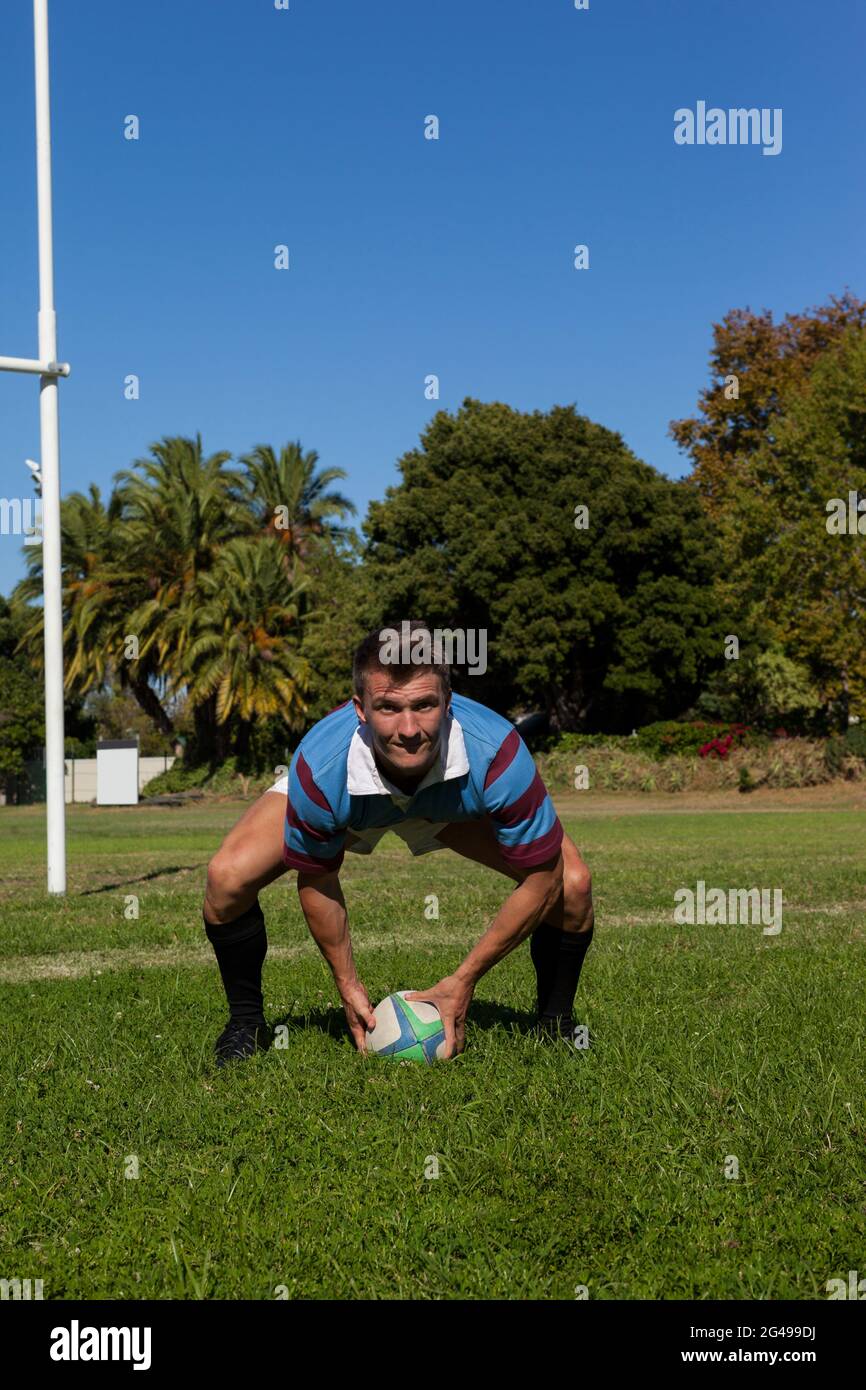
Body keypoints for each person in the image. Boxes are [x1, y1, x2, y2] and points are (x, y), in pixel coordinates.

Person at [203, 622, 595, 1064]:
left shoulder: (498, 751)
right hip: (353, 808)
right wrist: (347, 983)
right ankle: (246, 1024)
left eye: (425, 705)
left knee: (574, 884)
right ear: (360, 709)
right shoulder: (320, 764)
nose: (408, 729)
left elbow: (545, 876)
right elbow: (317, 877)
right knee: (226, 878)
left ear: (447, 704)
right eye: (388, 707)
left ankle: (556, 1024)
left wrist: (464, 979)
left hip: (444, 810)